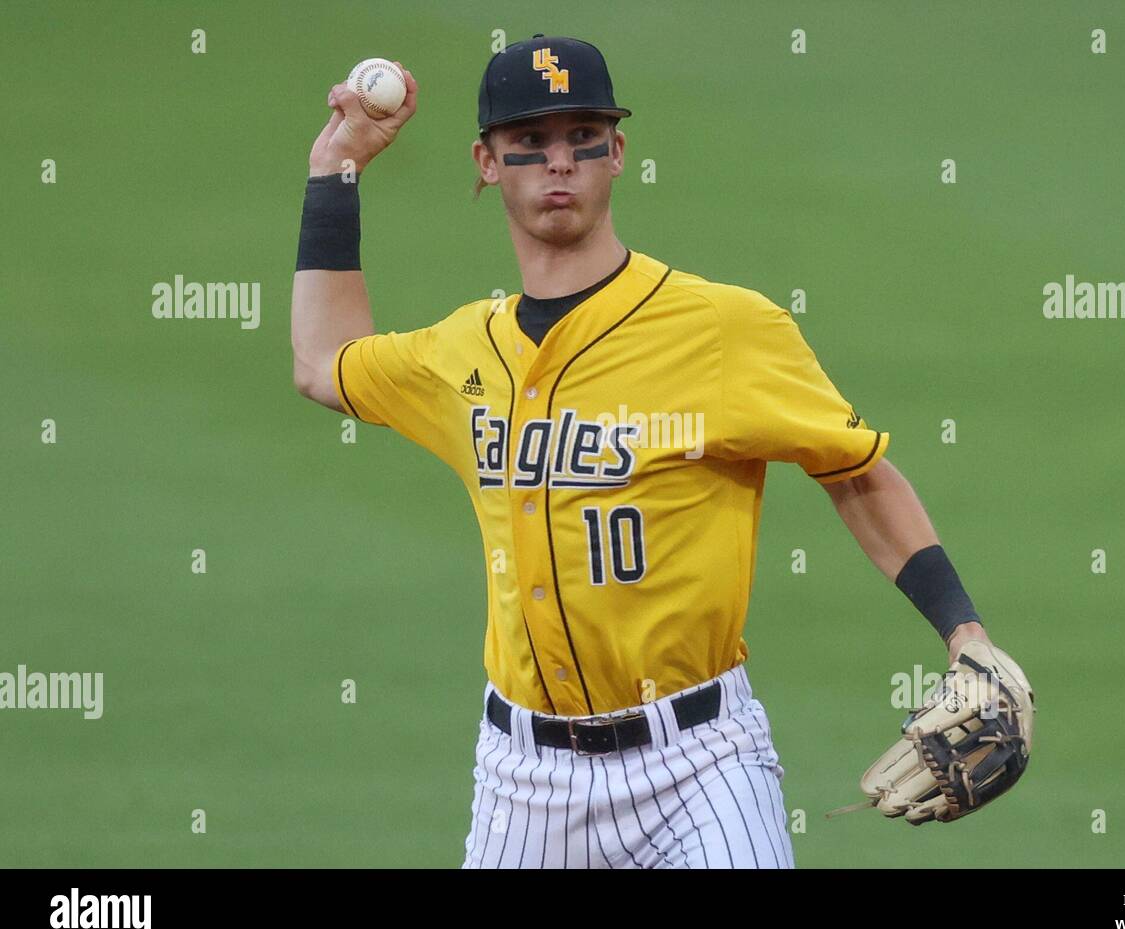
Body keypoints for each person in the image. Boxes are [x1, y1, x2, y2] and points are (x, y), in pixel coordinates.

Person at [291, 34, 1021, 868]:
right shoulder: (461, 352)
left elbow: (855, 471)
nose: (557, 162)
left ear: (618, 154)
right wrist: (335, 170)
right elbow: (322, 364)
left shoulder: (722, 328)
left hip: (700, 766)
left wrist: (965, 634)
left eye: (581, 139)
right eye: (529, 144)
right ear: (488, 163)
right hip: (522, 780)